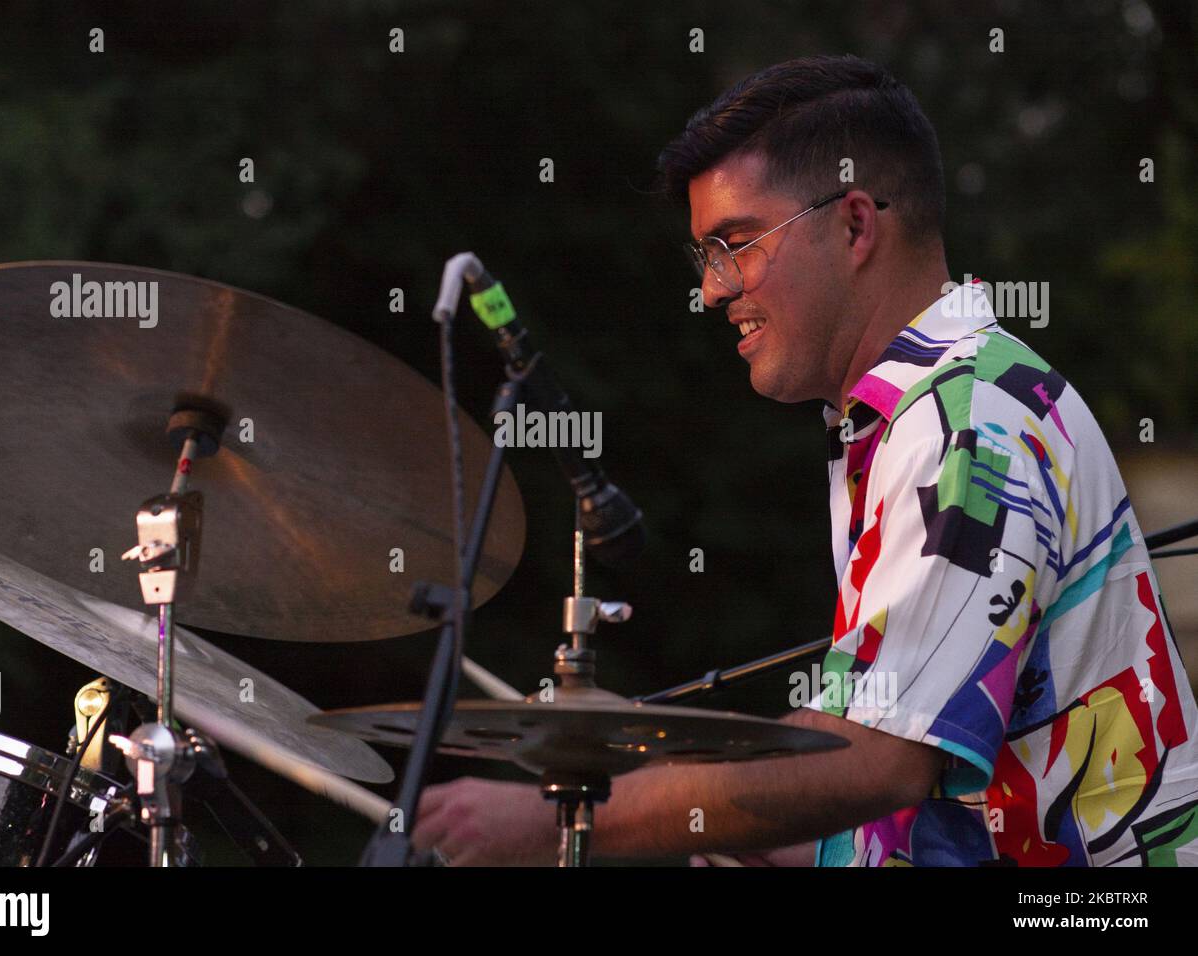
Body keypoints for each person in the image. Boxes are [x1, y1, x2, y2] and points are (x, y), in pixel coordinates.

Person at [414, 54, 1198, 866]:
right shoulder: (916, 417)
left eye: (738, 244)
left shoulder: (964, 426)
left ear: (855, 225)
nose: (714, 290)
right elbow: (898, 810)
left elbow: (873, 761)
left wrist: (564, 822)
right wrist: (692, 806)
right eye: (705, 256)